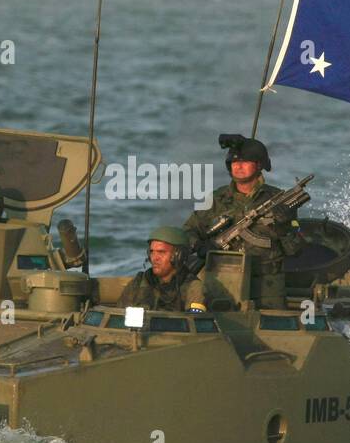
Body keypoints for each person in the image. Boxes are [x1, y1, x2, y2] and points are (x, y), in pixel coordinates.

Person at [184, 134, 302, 309]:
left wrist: (285, 227)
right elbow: (187, 232)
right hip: (223, 284)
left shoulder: (278, 200)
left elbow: (296, 250)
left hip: (267, 288)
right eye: (233, 162)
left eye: (245, 161)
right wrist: (200, 247)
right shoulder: (216, 199)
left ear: (259, 165)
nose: (238, 166)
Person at [118, 226, 207, 313]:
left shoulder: (193, 288)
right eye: (152, 252)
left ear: (178, 256)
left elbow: (193, 323)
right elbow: (119, 317)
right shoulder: (139, 282)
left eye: (161, 252)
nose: (154, 258)